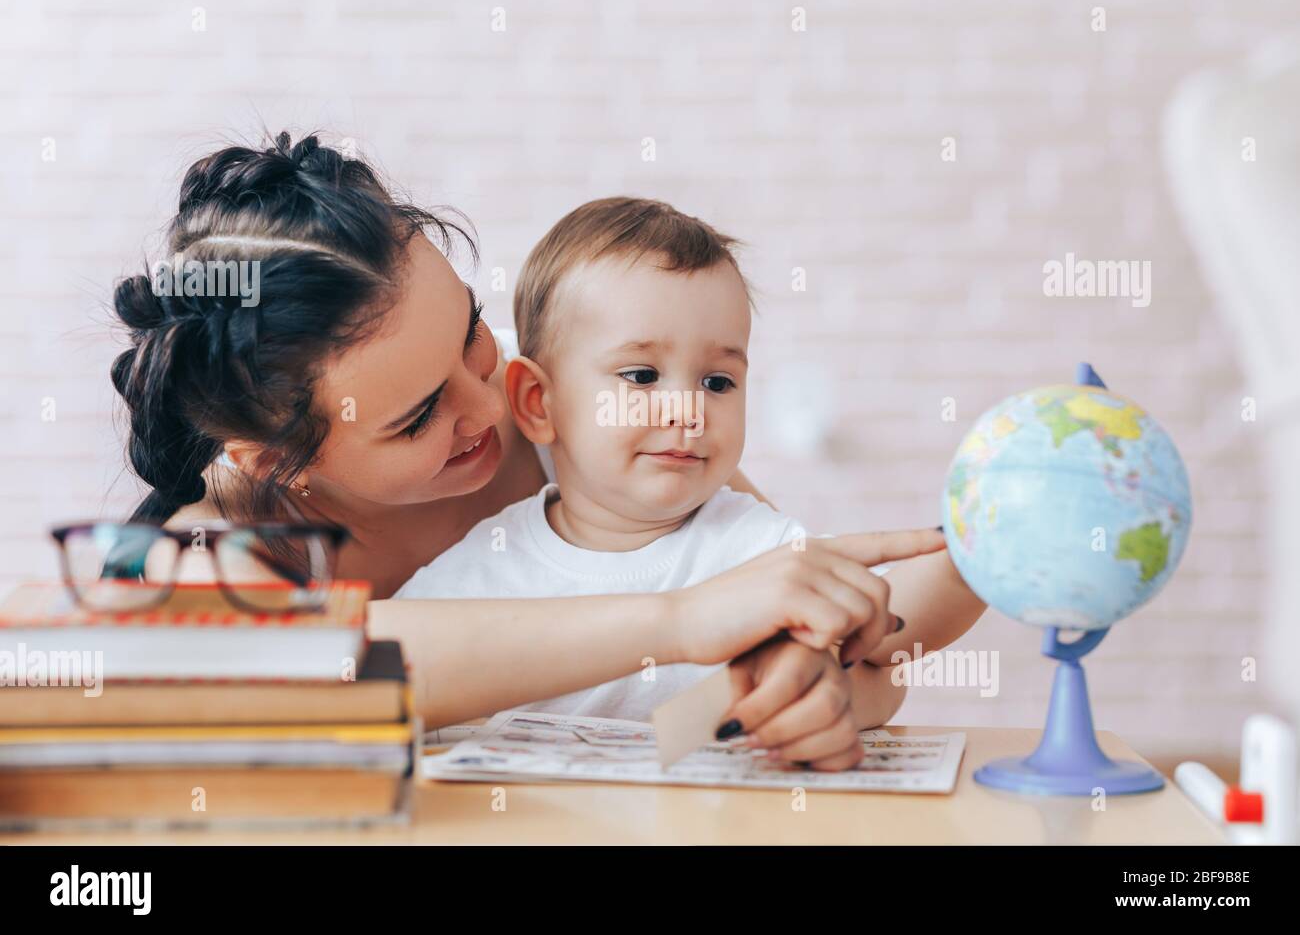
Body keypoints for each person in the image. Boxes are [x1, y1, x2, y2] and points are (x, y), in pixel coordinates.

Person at [109, 132, 981, 770]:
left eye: (473, 339)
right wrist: (677, 622)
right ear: (275, 459)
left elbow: (816, 628)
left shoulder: (585, 450)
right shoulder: (199, 554)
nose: (494, 405)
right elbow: (318, 667)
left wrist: (825, 682)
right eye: (418, 417)